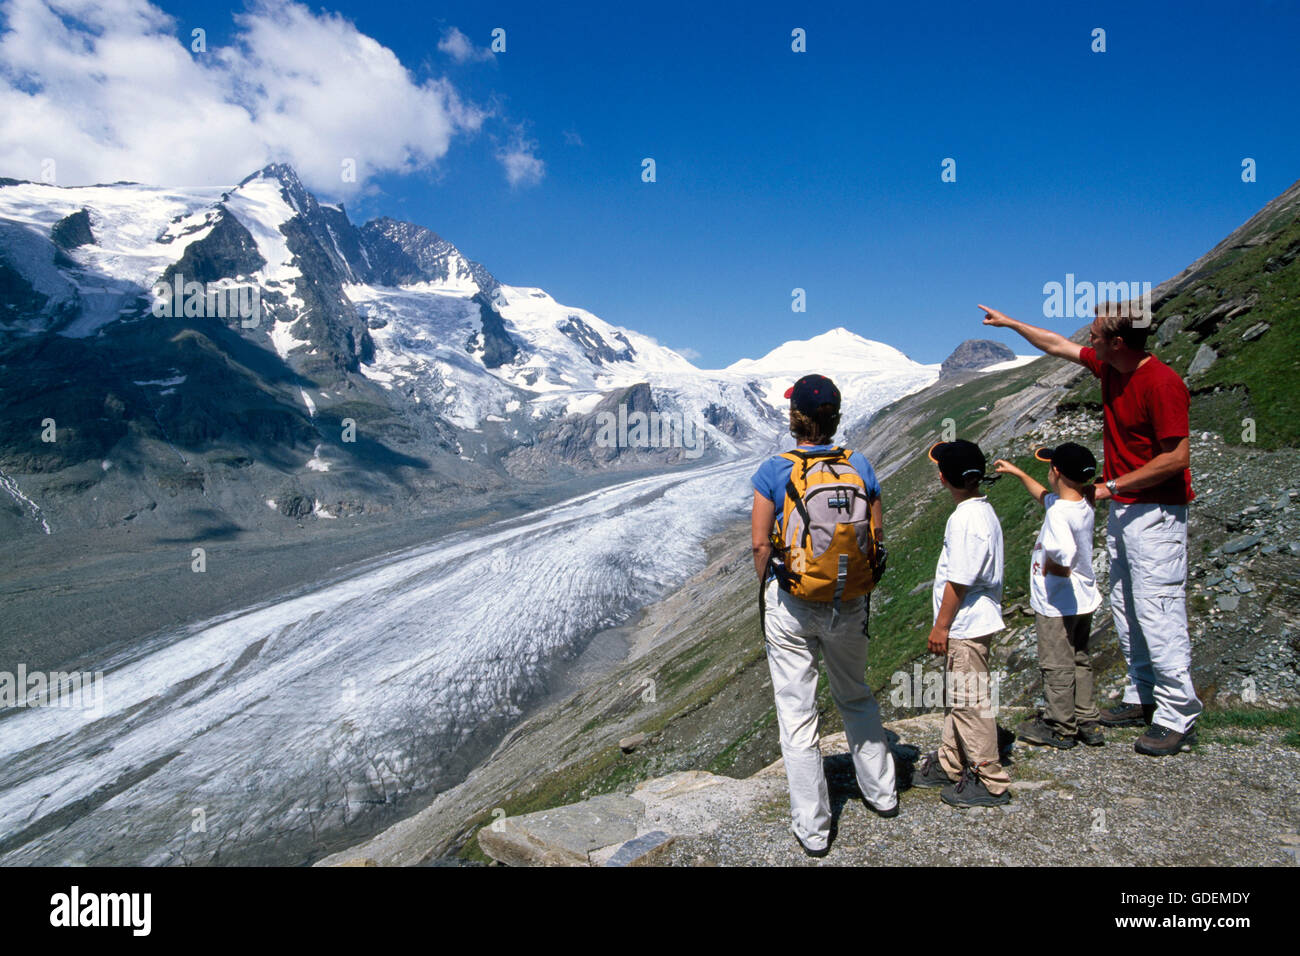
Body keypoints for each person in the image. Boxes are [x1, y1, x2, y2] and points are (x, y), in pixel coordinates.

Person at [978, 301, 1201, 756]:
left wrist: (1111, 485)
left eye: (1097, 332)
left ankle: (1179, 714)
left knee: (1159, 608)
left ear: (1118, 342)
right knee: (1125, 601)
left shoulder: (1162, 383)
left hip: (1156, 512)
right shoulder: (1111, 366)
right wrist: (1012, 322)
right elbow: (1057, 344)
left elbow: (1177, 457)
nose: (1089, 338)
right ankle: (1143, 695)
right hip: (1124, 508)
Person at [750, 373, 897, 857]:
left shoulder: (774, 469)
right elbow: (874, 535)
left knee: (798, 715)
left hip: (794, 603)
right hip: (850, 599)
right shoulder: (860, 464)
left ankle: (813, 829)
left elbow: (758, 543)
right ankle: (882, 794)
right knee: (855, 695)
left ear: (795, 419)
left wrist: (773, 585)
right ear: (835, 417)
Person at [912, 439, 1012, 808]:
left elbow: (959, 580)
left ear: (943, 479)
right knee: (960, 696)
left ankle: (990, 779)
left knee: (970, 701)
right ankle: (950, 762)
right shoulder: (981, 511)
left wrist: (941, 626)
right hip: (973, 622)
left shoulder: (964, 519)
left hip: (965, 624)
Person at [995, 443, 1105, 749]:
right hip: (1084, 598)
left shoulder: (1058, 515)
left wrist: (1052, 571)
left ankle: (1061, 727)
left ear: (1056, 471)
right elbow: (1045, 496)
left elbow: (1063, 554)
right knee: (1080, 657)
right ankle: (1087, 720)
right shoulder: (1082, 500)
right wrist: (1018, 474)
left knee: (1057, 663)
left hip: (1057, 602)